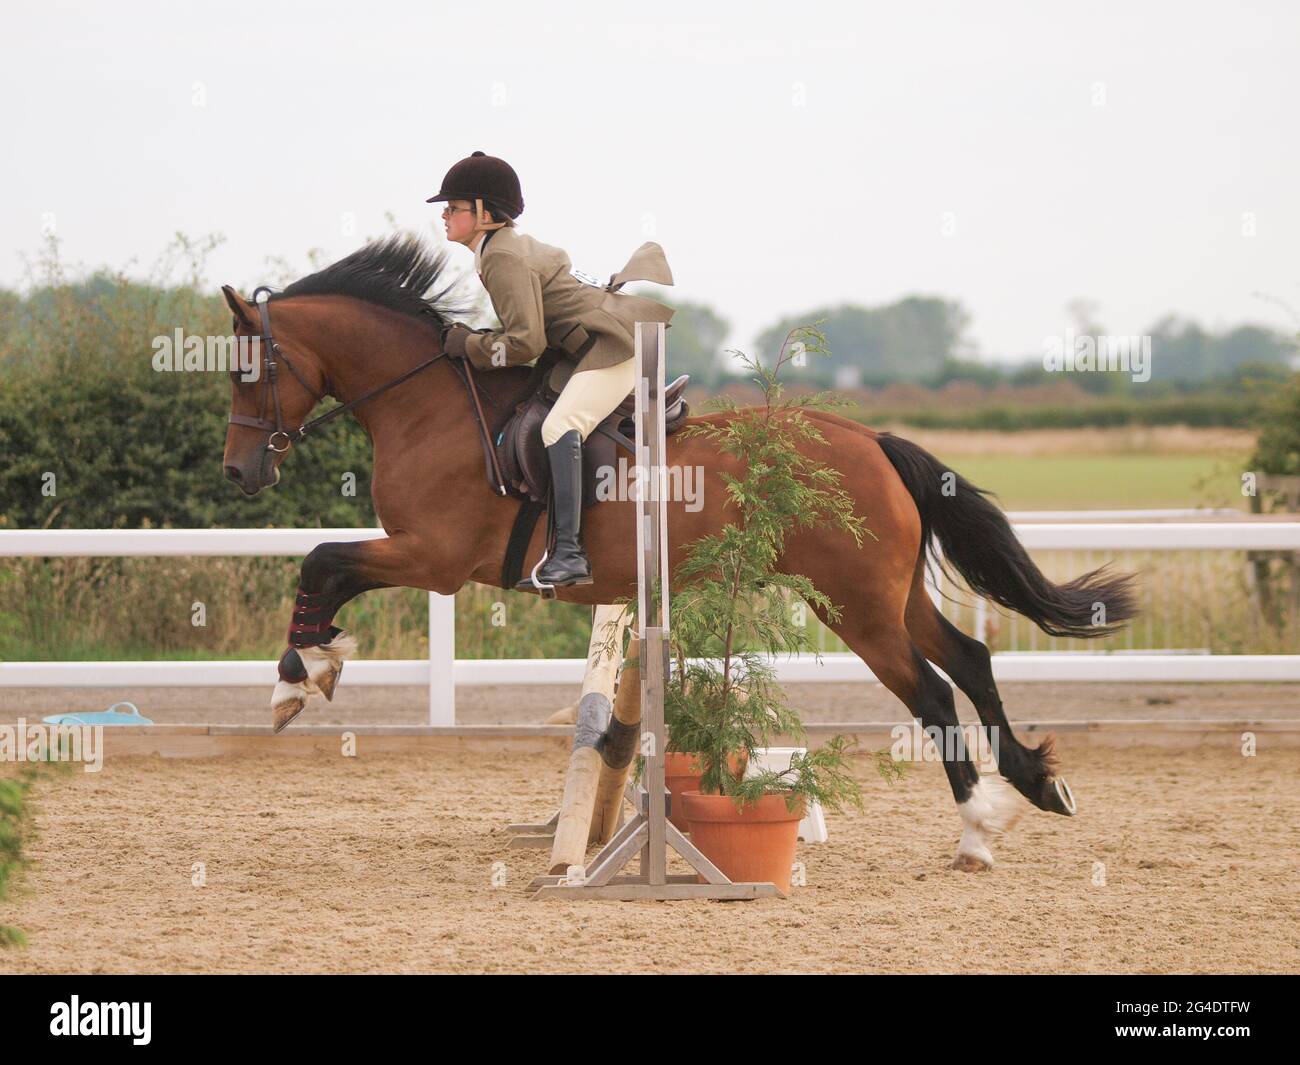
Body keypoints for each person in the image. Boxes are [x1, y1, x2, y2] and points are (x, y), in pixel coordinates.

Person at [428, 151, 675, 589]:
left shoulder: (501, 256)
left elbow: (525, 342)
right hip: (581, 348)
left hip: (611, 347)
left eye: (454, 207)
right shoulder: (498, 250)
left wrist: (469, 345)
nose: (444, 215)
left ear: (484, 213)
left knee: (560, 426)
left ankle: (568, 555)